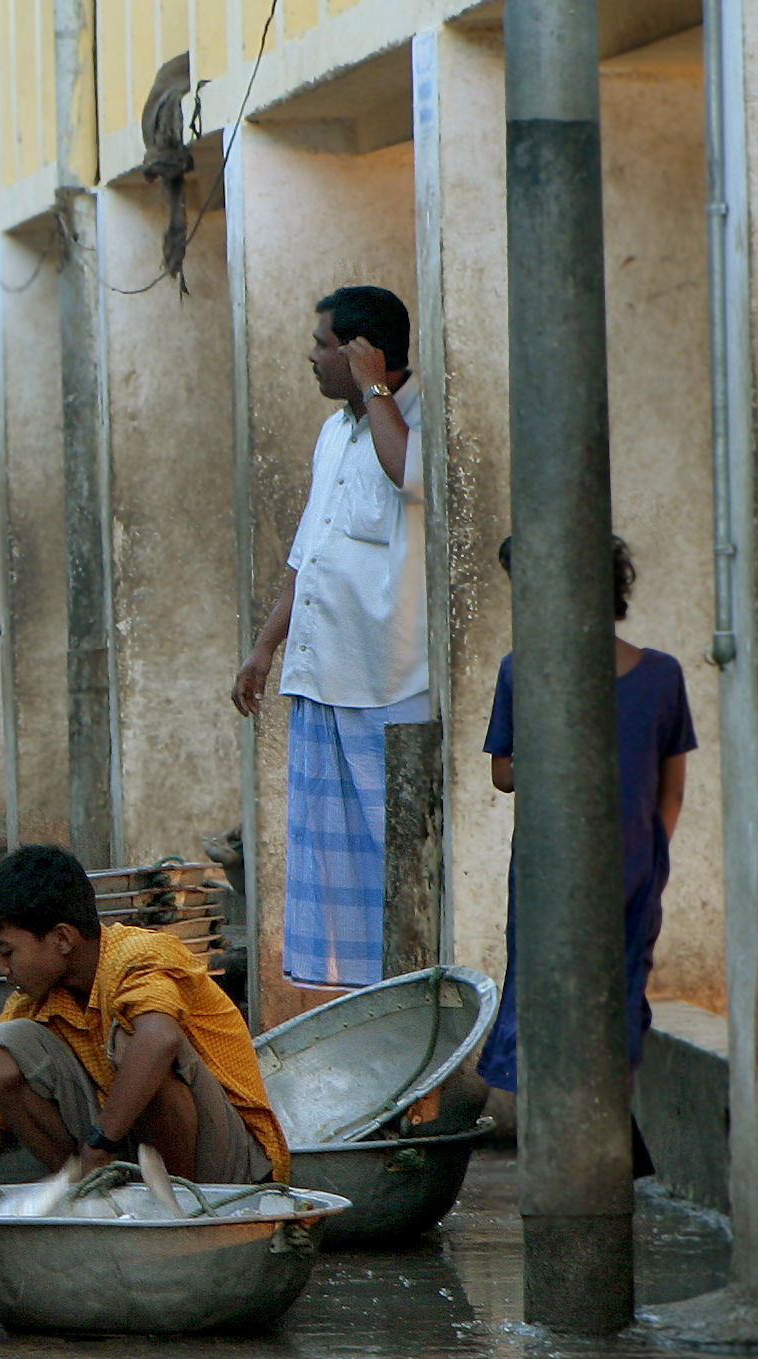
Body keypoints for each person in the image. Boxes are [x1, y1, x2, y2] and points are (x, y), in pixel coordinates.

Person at [0, 847, 289, 1218]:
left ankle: (173, 1212)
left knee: (135, 1040)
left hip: (230, 1168)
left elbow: (160, 1039)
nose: (3, 969)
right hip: (125, 1158)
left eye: (7, 952)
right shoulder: (37, 1000)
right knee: (3, 1049)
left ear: (63, 939)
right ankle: (97, 1197)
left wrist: (97, 1145)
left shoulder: (140, 955)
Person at [230, 283, 428, 991]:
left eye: (323, 344)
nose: (311, 358)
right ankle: (358, 1002)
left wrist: (376, 386)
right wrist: (264, 647)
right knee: (332, 869)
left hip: (389, 684)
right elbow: (307, 554)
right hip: (321, 679)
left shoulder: (419, 417)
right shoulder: (333, 431)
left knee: (392, 861)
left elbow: (409, 473)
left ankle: (408, 994)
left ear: (362, 351)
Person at [476, 536, 693, 1119]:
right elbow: (503, 772)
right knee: (541, 999)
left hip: (629, 872)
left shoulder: (660, 678)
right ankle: (556, 1161)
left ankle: (602, 1159)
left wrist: (647, 859)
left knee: (617, 1004)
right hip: (547, 871)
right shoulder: (520, 672)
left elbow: (671, 788)